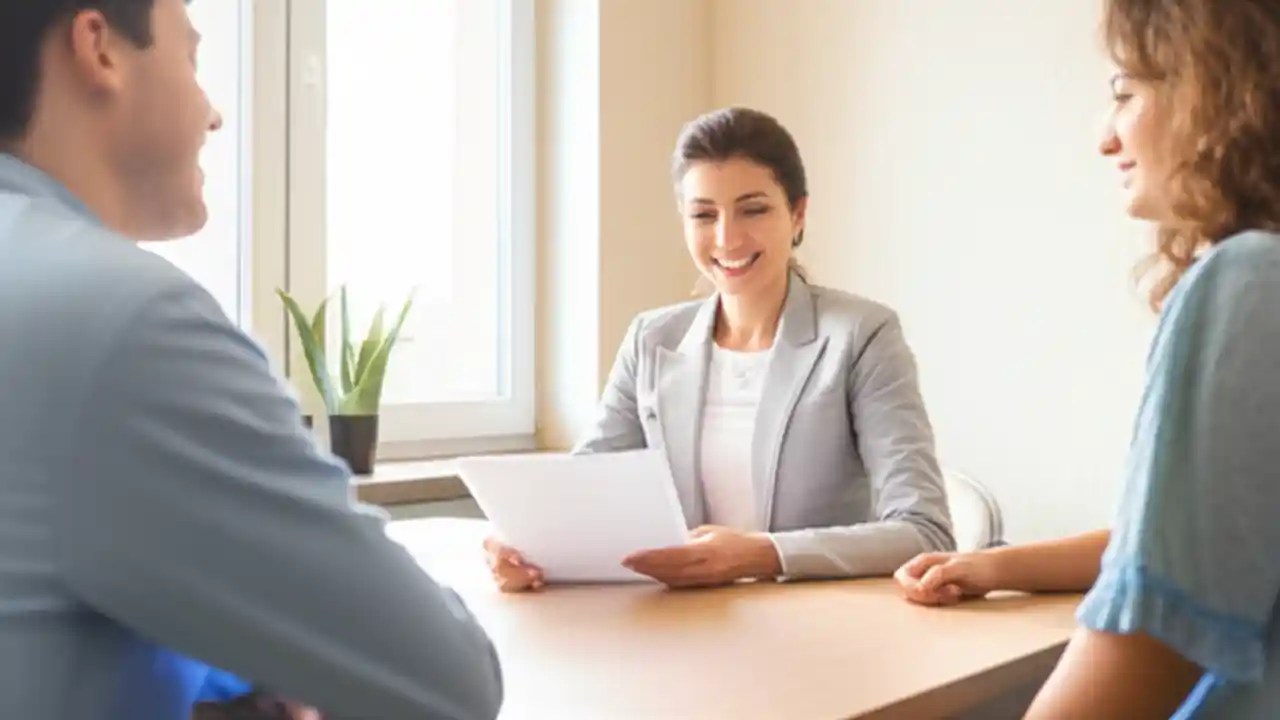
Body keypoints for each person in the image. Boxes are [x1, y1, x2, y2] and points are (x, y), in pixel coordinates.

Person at [0, 1, 503, 718]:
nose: (214, 115)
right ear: (99, 47)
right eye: (193, 58)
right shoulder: (124, 321)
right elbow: (447, 682)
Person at [895, 0, 1280, 716]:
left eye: (1126, 94)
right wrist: (999, 565)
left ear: (1221, 89)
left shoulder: (1249, 281)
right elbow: (1204, 535)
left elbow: (1145, 647)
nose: (1107, 138)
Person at [487, 107, 954, 591]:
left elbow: (924, 531)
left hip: (817, 628)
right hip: (684, 625)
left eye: (753, 209)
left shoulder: (862, 335)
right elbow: (583, 494)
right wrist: (521, 542)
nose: (727, 237)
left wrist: (760, 555)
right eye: (704, 214)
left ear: (797, 214)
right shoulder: (651, 340)